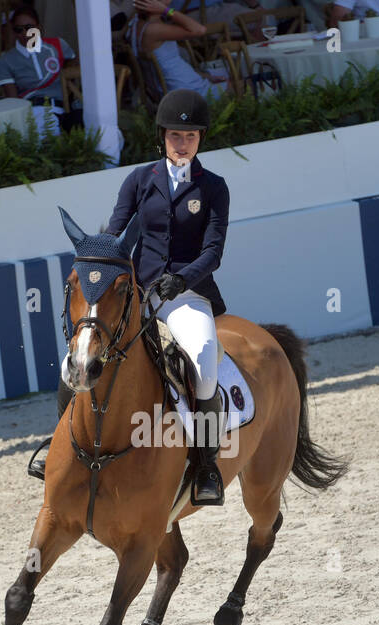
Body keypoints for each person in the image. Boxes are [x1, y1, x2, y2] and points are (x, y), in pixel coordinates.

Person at [31, 89, 229, 507]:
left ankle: (207, 464)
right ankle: (57, 444)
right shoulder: (140, 180)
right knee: (80, 357)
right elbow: (117, 236)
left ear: (200, 140)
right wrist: (97, 255)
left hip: (187, 297)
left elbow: (213, 251)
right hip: (138, 294)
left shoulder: (213, 188)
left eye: (190, 136)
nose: (182, 143)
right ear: (162, 137)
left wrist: (181, 279)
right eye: (175, 135)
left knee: (204, 358)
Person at [0, 5, 76, 138]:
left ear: (38, 27)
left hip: (64, 107)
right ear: (14, 32)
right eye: (18, 30)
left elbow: (74, 66)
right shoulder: (6, 60)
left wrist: (67, 84)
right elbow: (14, 101)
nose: (25, 33)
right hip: (33, 111)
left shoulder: (57, 45)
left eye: (29, 27)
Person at [127, 0, 229, 104]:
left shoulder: (137, 25)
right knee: (243, 84)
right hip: (188, 94)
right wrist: (166, 10)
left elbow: (169, 67)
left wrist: (206, 76)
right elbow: (200, 30)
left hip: (181, 87)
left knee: (227, 76)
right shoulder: (153, 29)